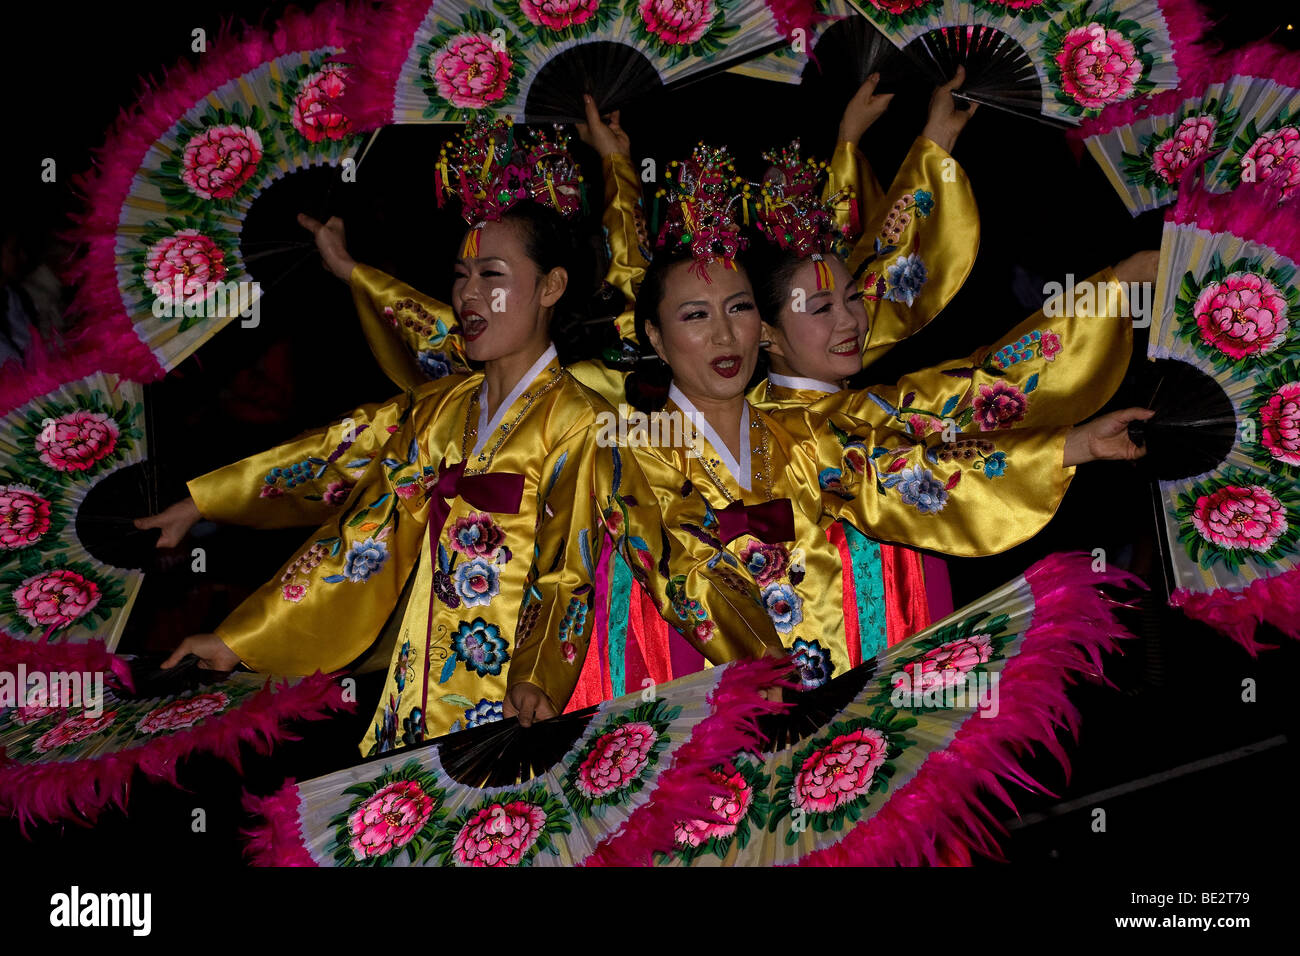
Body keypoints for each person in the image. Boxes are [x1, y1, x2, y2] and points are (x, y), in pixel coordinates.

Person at [162, 124, 783, 751]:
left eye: (492, 274)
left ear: (550, 287)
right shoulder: (435, 412)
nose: (468, 294)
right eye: (461, 276)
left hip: (518, 706)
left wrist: (539, 675)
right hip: (417, 697)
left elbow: (567, 567)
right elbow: (356, 520)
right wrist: (237, 631)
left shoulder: (581, 420)